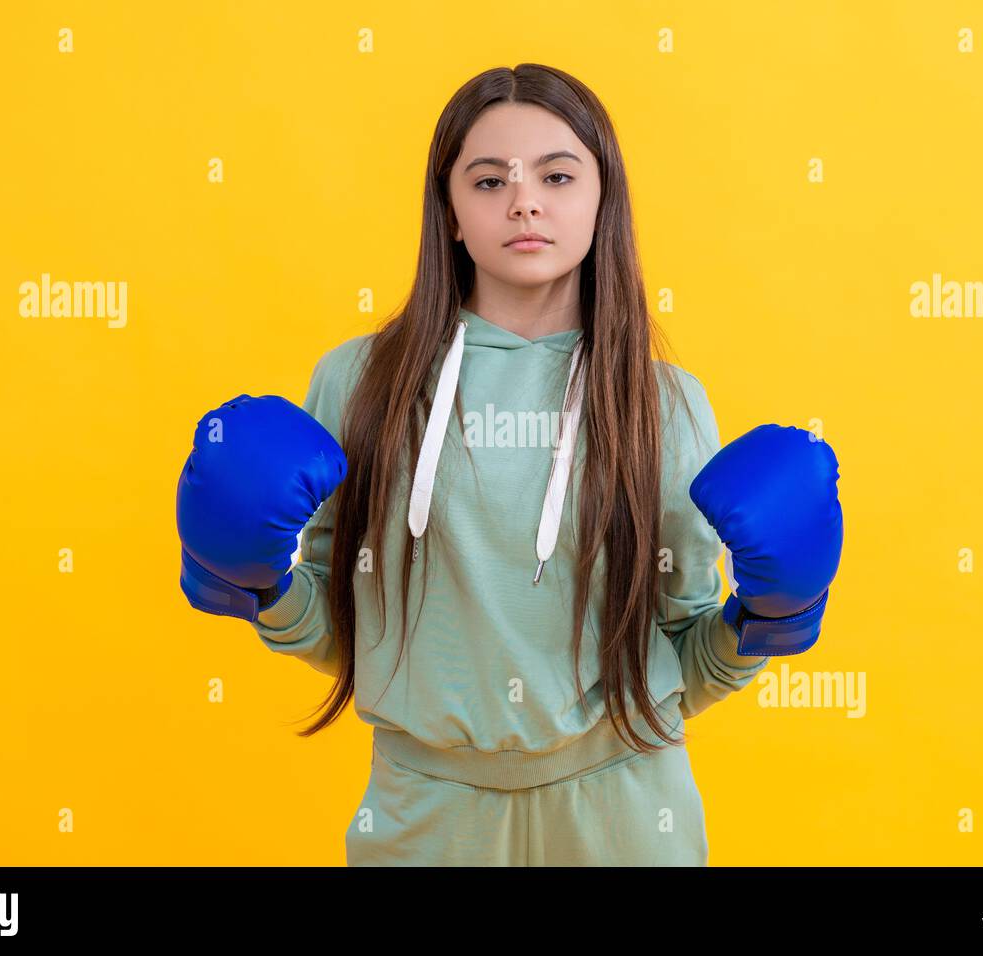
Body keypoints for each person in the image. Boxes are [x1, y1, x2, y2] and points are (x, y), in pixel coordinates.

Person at [175, 63, 844, 866]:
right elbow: (345, 634)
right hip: (425, 808)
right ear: (450, 212)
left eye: (557, 175)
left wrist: (770, 618)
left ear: (603, 198)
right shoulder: (359, 382)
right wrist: (263, 589)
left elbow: (683, 662)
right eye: (489, 180)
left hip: (625, 808)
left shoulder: (661, 400)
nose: (524, 201)